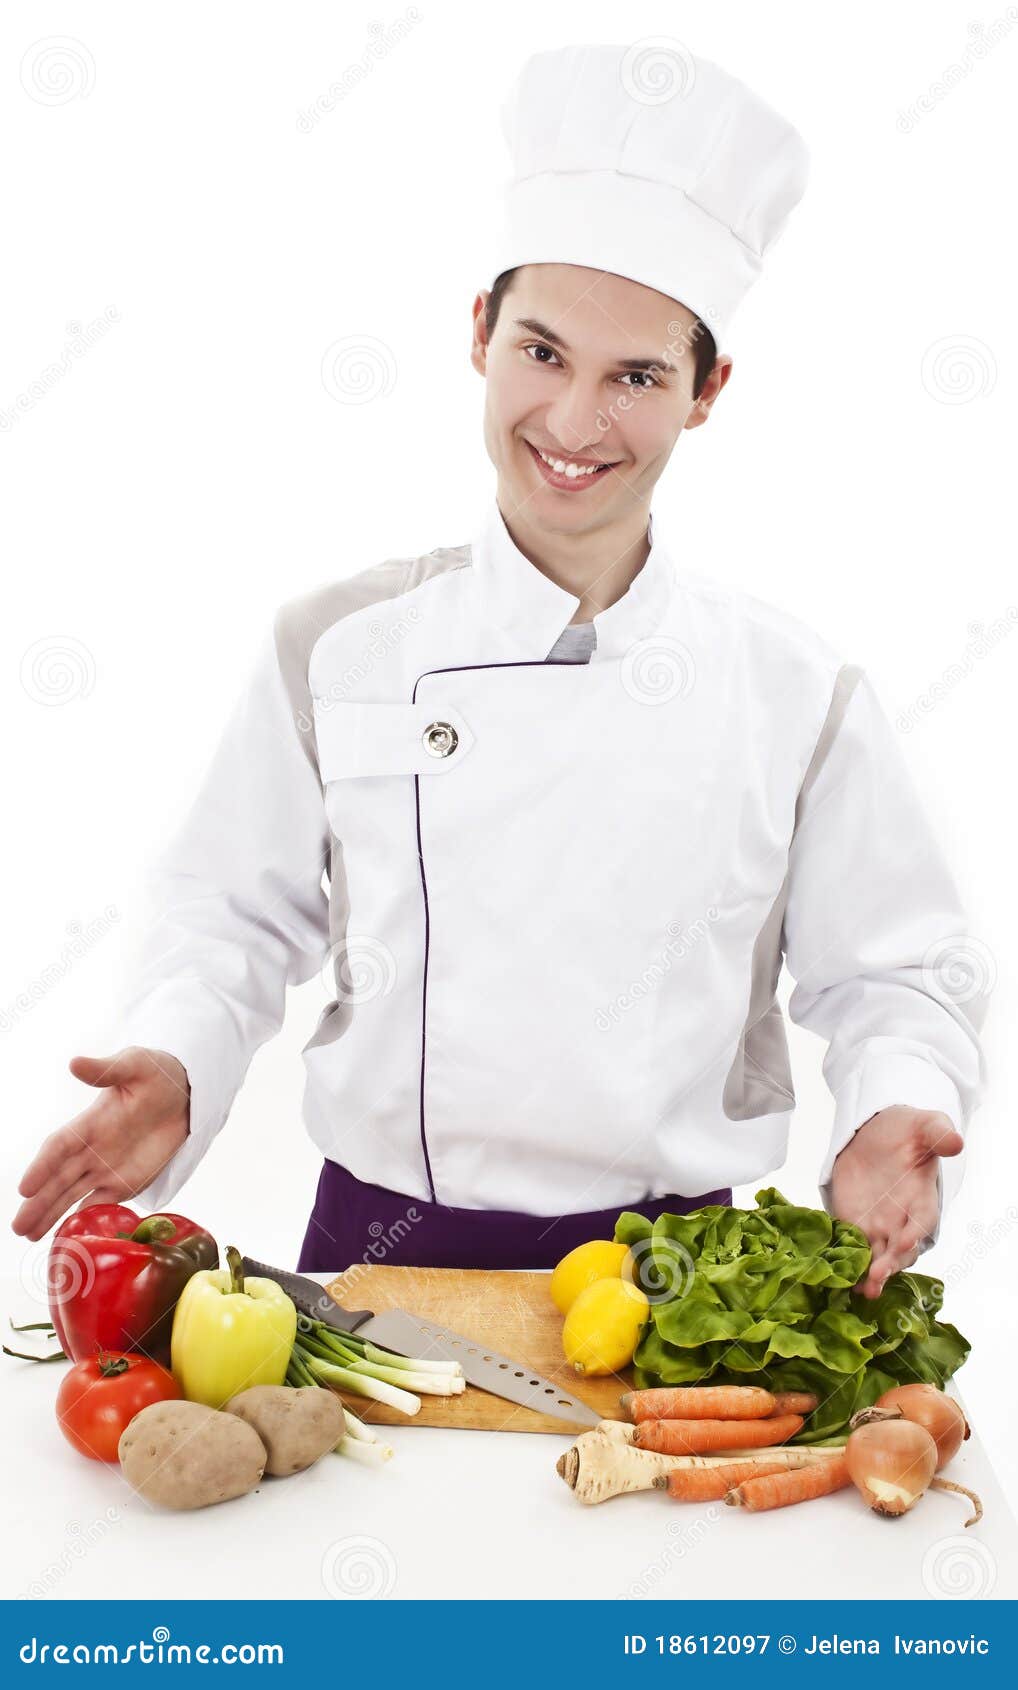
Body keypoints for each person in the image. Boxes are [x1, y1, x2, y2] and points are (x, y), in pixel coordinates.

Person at [13, 44, 987, 1296]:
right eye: (542, 351)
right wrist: (177, 1058)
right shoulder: (336, 647)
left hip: (679, 1291)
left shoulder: (797, 695)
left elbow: (896, 969)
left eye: (635, 375)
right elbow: (229, 914)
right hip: (379, 1262)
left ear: (706, 393)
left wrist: (890, 1112)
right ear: (477, 332)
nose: (575, 422)